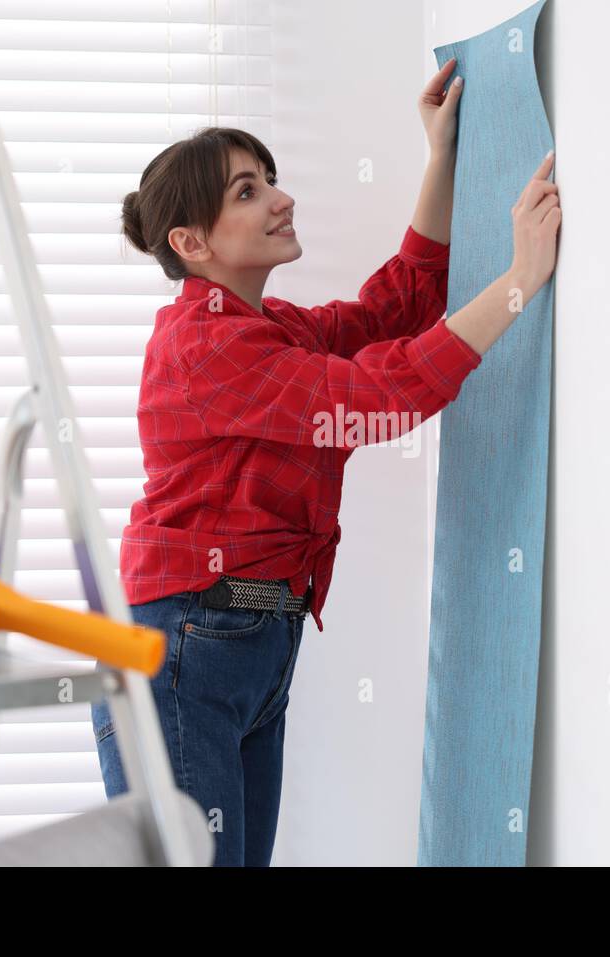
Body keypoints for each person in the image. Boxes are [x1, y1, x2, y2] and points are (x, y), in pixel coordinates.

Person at [91, 58, 562, 866]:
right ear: (190, 241)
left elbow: (395, 307)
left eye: (269, 178)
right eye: (247, 190)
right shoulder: (208, 348)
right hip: (185, 649)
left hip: (238, 641)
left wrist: (441, 156)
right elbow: (382, 394)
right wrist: (520, 281)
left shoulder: (265, 330)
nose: (281, 197)